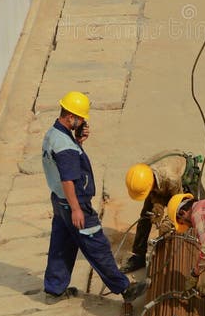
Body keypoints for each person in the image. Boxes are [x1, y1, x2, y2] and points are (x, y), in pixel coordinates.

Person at [42, 91, 147, 303]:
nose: (82, 122)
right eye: (80, 118)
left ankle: (54, 288)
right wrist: (77, 209)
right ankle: (125, 288)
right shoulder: (66, 147)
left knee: (61, 245)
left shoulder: (53, 135)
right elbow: (68, 179)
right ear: (70, 117)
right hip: (74, 202)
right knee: (96, 246)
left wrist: (78, 142)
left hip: (59, 202)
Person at [121, 150, 204, 273]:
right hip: (159, 180)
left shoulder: (171, 179)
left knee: (197, 214)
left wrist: (167, 222)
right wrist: (157, 206)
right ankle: (138, 256)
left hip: (183, 177)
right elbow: (155, 194)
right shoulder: (142, 174)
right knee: (146, 216)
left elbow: (178, 205)